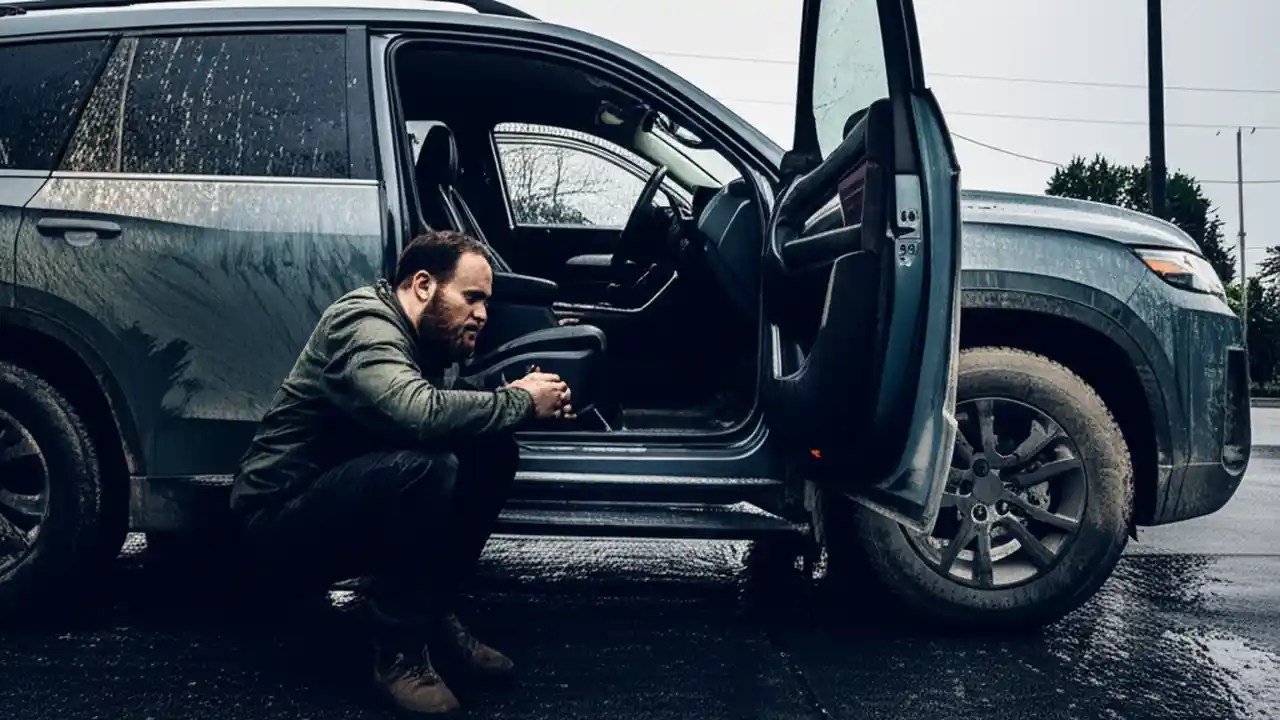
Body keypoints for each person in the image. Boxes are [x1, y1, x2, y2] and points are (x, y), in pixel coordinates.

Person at [229, 230, 572, 715]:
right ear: (424, 284)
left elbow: (432, 410)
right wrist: (519, 402)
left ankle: (431, 610)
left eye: (486, 303)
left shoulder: (423, 338)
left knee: (491, 451)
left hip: (339, 504)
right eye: (472, 298)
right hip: (276, 527)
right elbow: (417, 413)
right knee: (425, 469)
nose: (482, 314)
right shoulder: (364, 324)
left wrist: (516, 392)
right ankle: (399, 652)